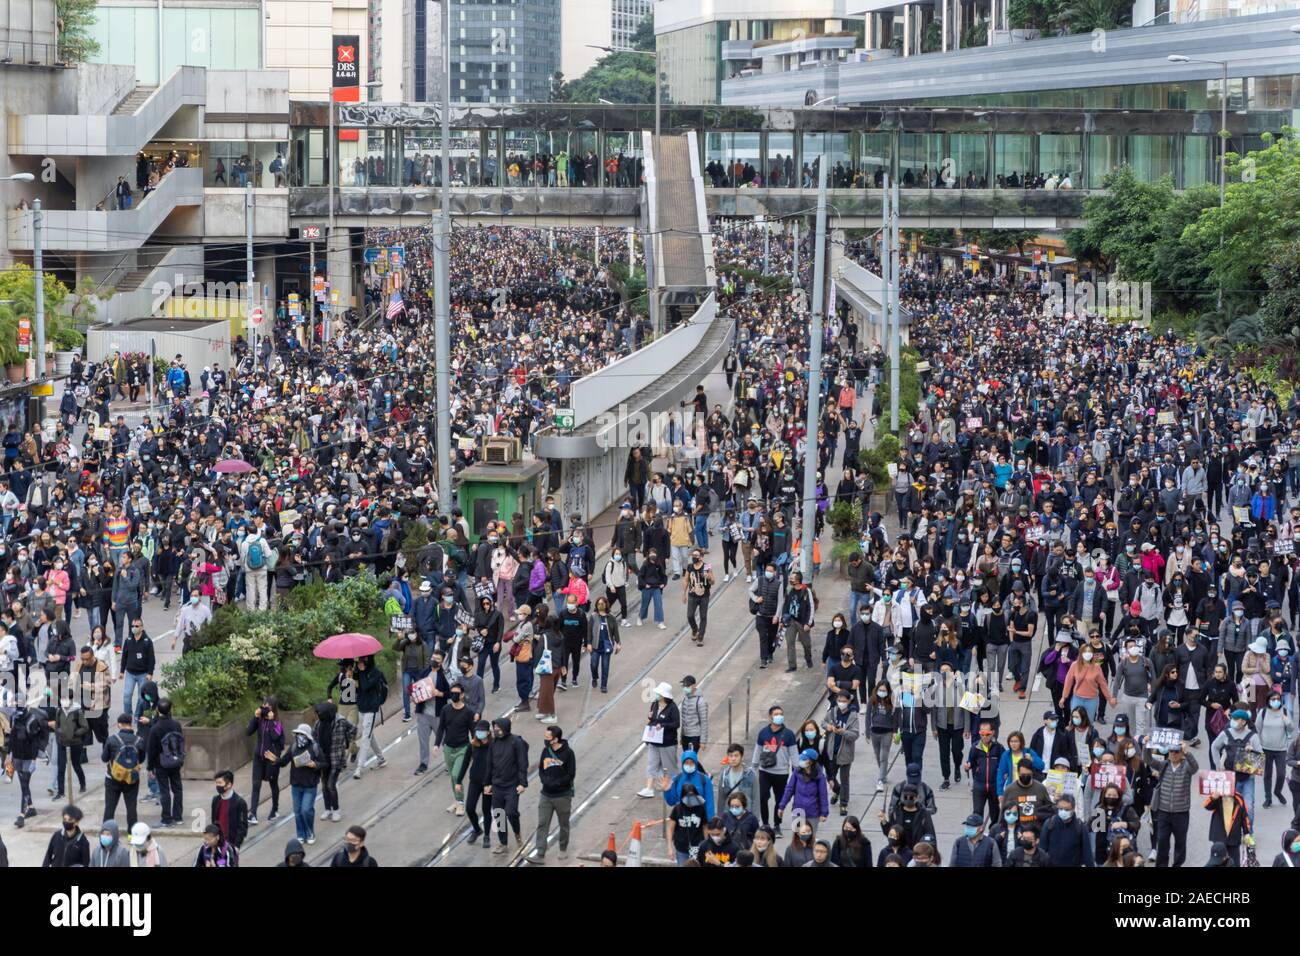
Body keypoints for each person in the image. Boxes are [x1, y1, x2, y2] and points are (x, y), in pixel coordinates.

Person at [526, 724, 576, 865]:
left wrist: (557, 783)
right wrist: (544, 780)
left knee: (563, 824)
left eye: (548, 738)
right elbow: (542, 769)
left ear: (556, 739)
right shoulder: (545, 751)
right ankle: (540, 853)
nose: (546, 740)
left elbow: (571, 774)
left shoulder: (568, 753)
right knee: (542, 824)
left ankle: (563, 848)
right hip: (546, 795)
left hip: (562, 796)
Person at [753, 704, 799, 834]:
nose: (779, 716)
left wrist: (797, 769)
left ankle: (777, 825)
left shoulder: (789, 734)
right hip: (765, 771)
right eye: (776, 714)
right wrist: (754, 765)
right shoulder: (763, 733)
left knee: (779, 799)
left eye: (781, 714)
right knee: (762, 797)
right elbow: (758, 750)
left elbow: (794, 753)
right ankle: (766, 824)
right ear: (770, 717)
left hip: (782, 773)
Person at [274, 722, 322, 846]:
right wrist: (275, 760)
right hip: (296, 784)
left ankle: (310, 832)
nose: (299, 736)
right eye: (297, 734)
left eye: (302, 734)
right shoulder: (294, 747)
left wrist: (315, 765)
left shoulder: (315, 747)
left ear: (307, 736)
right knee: (297, 811)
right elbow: (284, 761)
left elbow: (324, 763)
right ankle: (301, 834)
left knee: (306, 809)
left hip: (310, 785)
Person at [485, 717, 528, 854]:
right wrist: (487, 783)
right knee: (499, 814)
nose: (496, 730)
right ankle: (503, 843)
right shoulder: (493, 744)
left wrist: (522, 783)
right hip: (497, 785)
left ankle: (517, 834)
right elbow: (489, 764)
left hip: (511, 785)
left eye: (498, 727)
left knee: (511, 812)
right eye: (495, 727)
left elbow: (522, 763)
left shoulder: (516, 742)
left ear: (505, 728)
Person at [145, 697, 185, 827]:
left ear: (157, 710)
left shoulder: (155, 728)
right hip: (175, 761)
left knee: (164, 790)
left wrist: (150, 767)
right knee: (177, 788)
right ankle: (178, 816)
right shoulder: (176, 724)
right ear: (170, 709)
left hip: (161, 763)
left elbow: (151, 749)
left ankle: (166, 818)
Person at [638, 681, 679, 799]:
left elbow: (676, 723)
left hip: (667, 743)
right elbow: (653, 719)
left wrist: (663, 726)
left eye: (658, 693)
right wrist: (650, 717)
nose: (656, 695)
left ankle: (674, 788)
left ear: (664, 695)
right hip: (654, 741)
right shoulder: (655, 704)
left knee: (669, 767)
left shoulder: (673, 708)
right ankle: (648, 789)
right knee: (651, 765)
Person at [246, 697, 284, 824]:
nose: (265, 708)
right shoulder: (260, 720)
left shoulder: (277, 722)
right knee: (256, 784)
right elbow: (248, 732)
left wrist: (272, 720)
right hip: (258, 757)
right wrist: (255, 717)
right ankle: (253, 814)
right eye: (264, 705)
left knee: (273, 783)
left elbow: (274, 737)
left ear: (273, 708)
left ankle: (275, 809)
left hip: (271, 758)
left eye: (268, 706)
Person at [101, 711, 141, 829]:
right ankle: (132, 834)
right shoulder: (139, 740)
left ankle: (107, 834)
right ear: (131, 724)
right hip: (132, 778)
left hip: (113, 778)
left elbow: (104, 758)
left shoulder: (112, 740)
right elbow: (141, 758)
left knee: (110, 807)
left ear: (119, 725)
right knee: (131, 807)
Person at [1039, 794, 1093, 867]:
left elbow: (1087, 853)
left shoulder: (1080, 827)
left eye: (1067, 809)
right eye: (1061, 809)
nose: (1063, 812)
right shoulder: (1049, 824)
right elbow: (1042, 850)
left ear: (1073, 809)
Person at [211, 769, 250, 850]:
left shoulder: (240, 802)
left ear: (229, 785)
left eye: (220, 783)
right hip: (218, 844)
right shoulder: (216, 800)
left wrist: (237, 845)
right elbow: (214, 821)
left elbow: (242, 826)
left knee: (229, 862)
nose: (218, 786)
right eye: (216, 783)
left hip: (231, 845)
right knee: (217, 862)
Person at [679, 674, 709, 753]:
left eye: (687, 686)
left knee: (691, 759)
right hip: (685, 736)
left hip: (695, 736)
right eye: (684, 686)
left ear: (694, 685)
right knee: (686, 759)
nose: (685, 688)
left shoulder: (701, 701)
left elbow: (704, 722)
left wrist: (703, 741)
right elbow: (684, 720)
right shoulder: (685, 699)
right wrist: (681, 737)